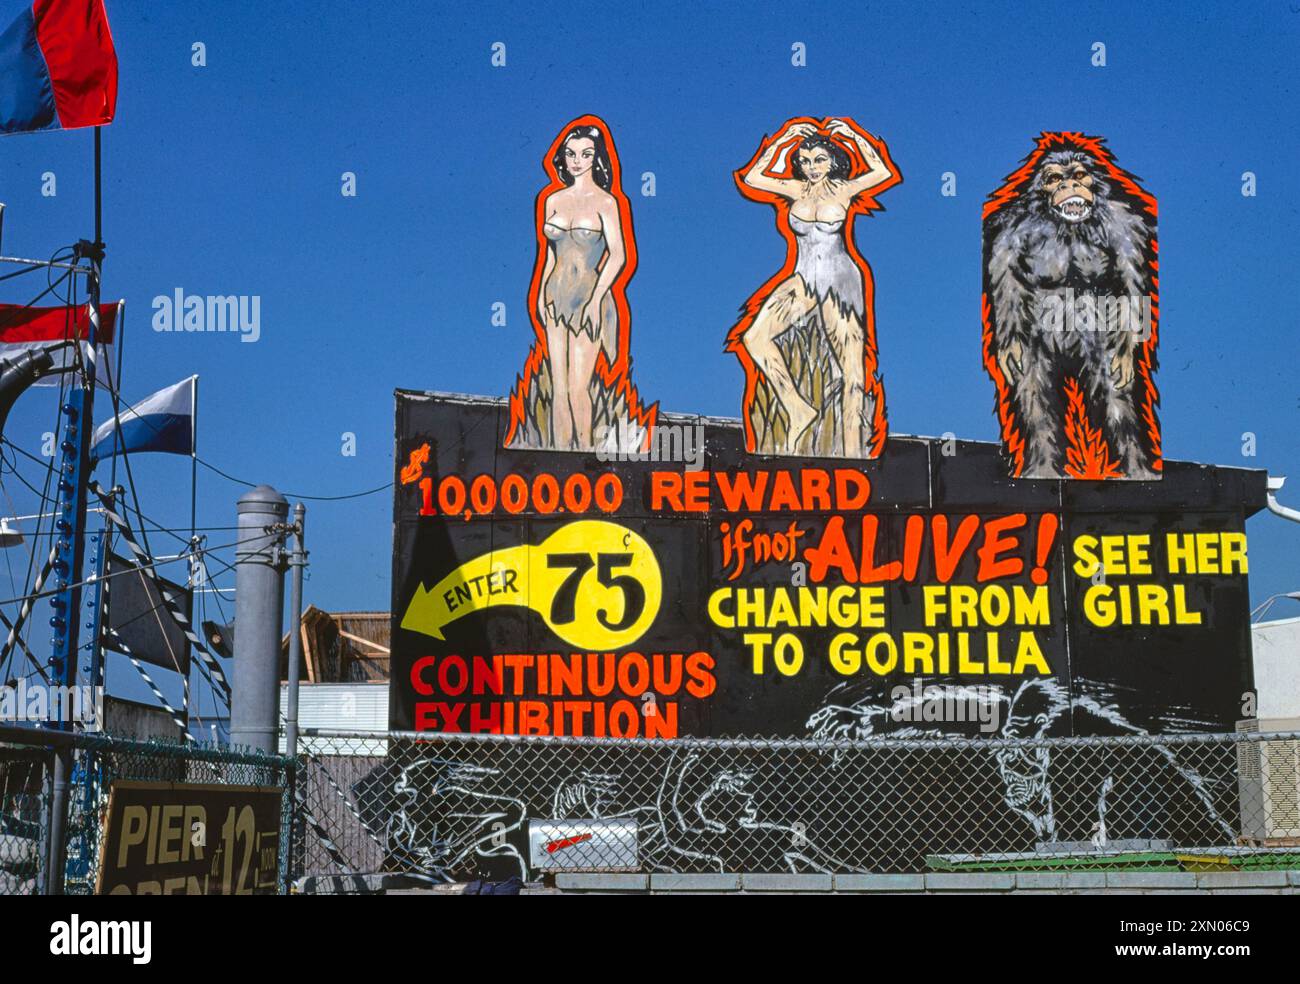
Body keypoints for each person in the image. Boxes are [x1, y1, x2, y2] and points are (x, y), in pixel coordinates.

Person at [729, 118, 898, 457]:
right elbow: (752, 179)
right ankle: (797, 408)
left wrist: (853, 135)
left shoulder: (844, 189)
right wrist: (784, 139)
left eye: (819, 160)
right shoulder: (796, 189)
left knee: (851, 372)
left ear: (833, 161)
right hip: (803, 281)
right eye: (805, 161)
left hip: (840, 281)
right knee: (754, 338)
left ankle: (854, 456)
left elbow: (883, 172)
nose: (812, 167)